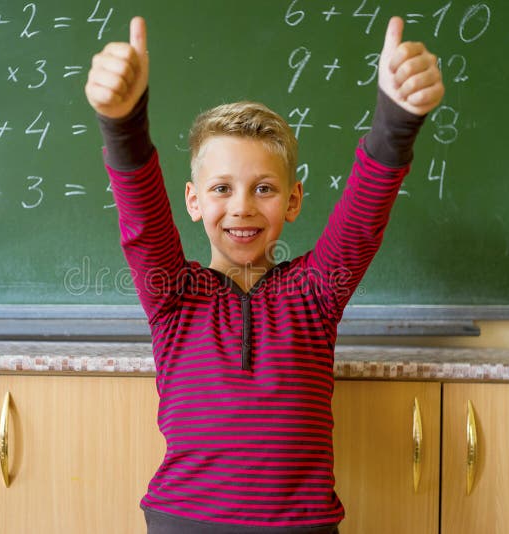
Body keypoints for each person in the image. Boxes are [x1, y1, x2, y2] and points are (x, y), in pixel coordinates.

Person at [86, 15, 443, 534]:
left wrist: (397, 121)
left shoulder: (316, 293)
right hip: (185, 520)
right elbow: (142, 223)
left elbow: (361, 223)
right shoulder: (173, 294)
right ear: (193, 201)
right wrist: (122, 124)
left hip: (302, 524)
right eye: (221, 188)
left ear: (293, 200)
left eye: (264, 189)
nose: (242, 208)